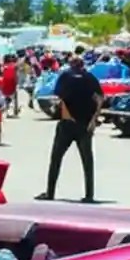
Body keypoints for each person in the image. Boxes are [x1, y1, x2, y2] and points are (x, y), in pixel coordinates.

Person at [36, 57, 103, 203]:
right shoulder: (90, 78)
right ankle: (89, 194)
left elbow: (60, 98)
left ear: (71, 65)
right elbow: (100, 99)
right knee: (87, 161)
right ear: (83, 66)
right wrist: (93, 120)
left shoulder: (65, 77)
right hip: (85, 124)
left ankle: (50, 192)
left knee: (56, 159)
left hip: (67, 124)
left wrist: (67, 116)